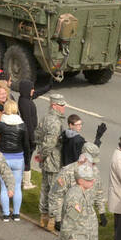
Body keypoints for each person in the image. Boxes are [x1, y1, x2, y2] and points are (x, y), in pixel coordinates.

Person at [34, 93, 68, 230]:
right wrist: (42, 155)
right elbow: (50, 143)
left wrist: (40, 153)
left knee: (45, 188)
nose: (64, 107)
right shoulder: (54, 122)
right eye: (61, 105)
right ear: (54, 105)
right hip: (53, 161)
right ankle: (52, 221)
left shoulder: (46, 118)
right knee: (54, 191)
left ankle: (43, 217)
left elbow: (37, 135)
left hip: (46, 159)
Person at [0, 100, 31, 222]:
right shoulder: (22, 125)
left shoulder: (1, 124)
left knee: (4, 187)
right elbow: (26, 144)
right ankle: (16, 214)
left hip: (4, 157)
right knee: (16, 187)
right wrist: (27, 160)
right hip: (18, 157)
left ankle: (5, 214)